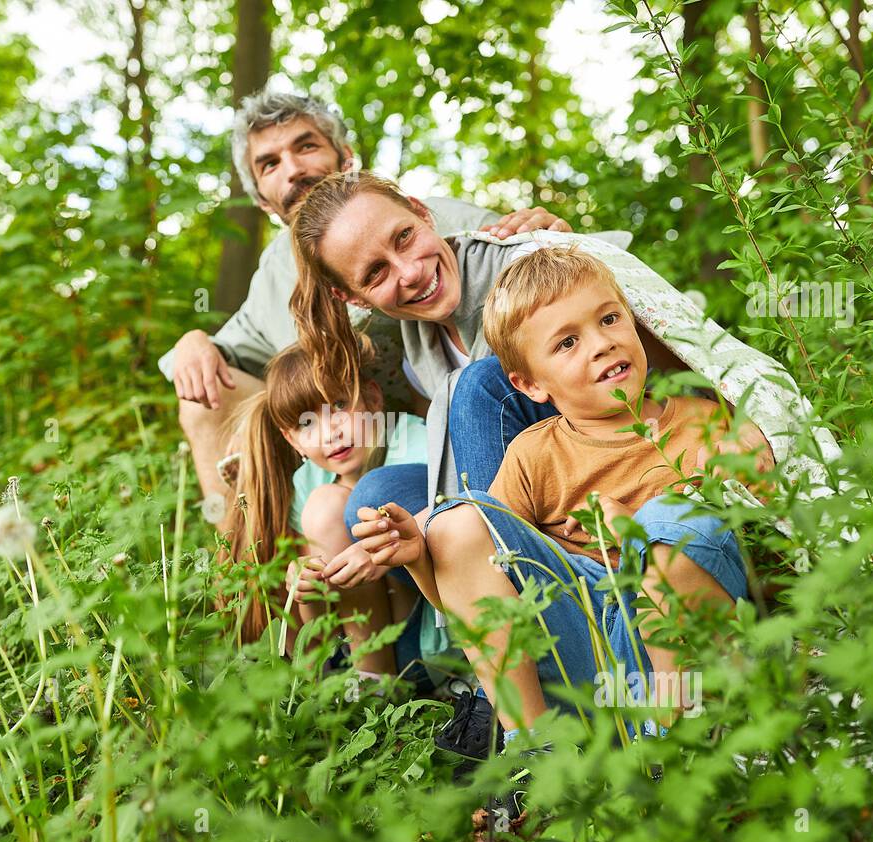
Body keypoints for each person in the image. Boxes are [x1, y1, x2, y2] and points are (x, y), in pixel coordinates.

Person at [351, 244, 776, 745]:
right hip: (583, 646)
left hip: (686, 649)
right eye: (568, 342)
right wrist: (422, 557)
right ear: (529, 384)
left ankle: (675, 741)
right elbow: (478, 586)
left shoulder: (707, 423)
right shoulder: (535, 455)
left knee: (676, 523)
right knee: (458, 522)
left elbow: (764, 539)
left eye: (610, 319)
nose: (602, 344)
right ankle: (533, 747)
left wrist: (634, 530)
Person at [162, 90, 571, 530]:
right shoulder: (274, 275)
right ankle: (247, 575)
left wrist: (549, 238)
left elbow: (532, 261)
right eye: (270, 163)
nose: (294, 169)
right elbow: (231, 350)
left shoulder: (428, 222)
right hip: (344, 455)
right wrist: (193, 341)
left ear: (346, 158)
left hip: (454, 434)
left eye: (306, 145)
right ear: (262, 199)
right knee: (202, 401)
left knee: (467, 397)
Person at [227, 343, 432, 687]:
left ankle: (374, 686)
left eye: (338, 406)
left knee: (355, 501)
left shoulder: (411, 441)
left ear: (373, 398)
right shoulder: (309, 481)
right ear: (292, 441)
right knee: (309, 538)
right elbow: (322, 609)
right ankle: (326, 685)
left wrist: (381, 551)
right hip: (353, 639)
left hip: (425, 631)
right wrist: (303, 581)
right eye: (307, 423)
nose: (330, 432)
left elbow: (454, 510)